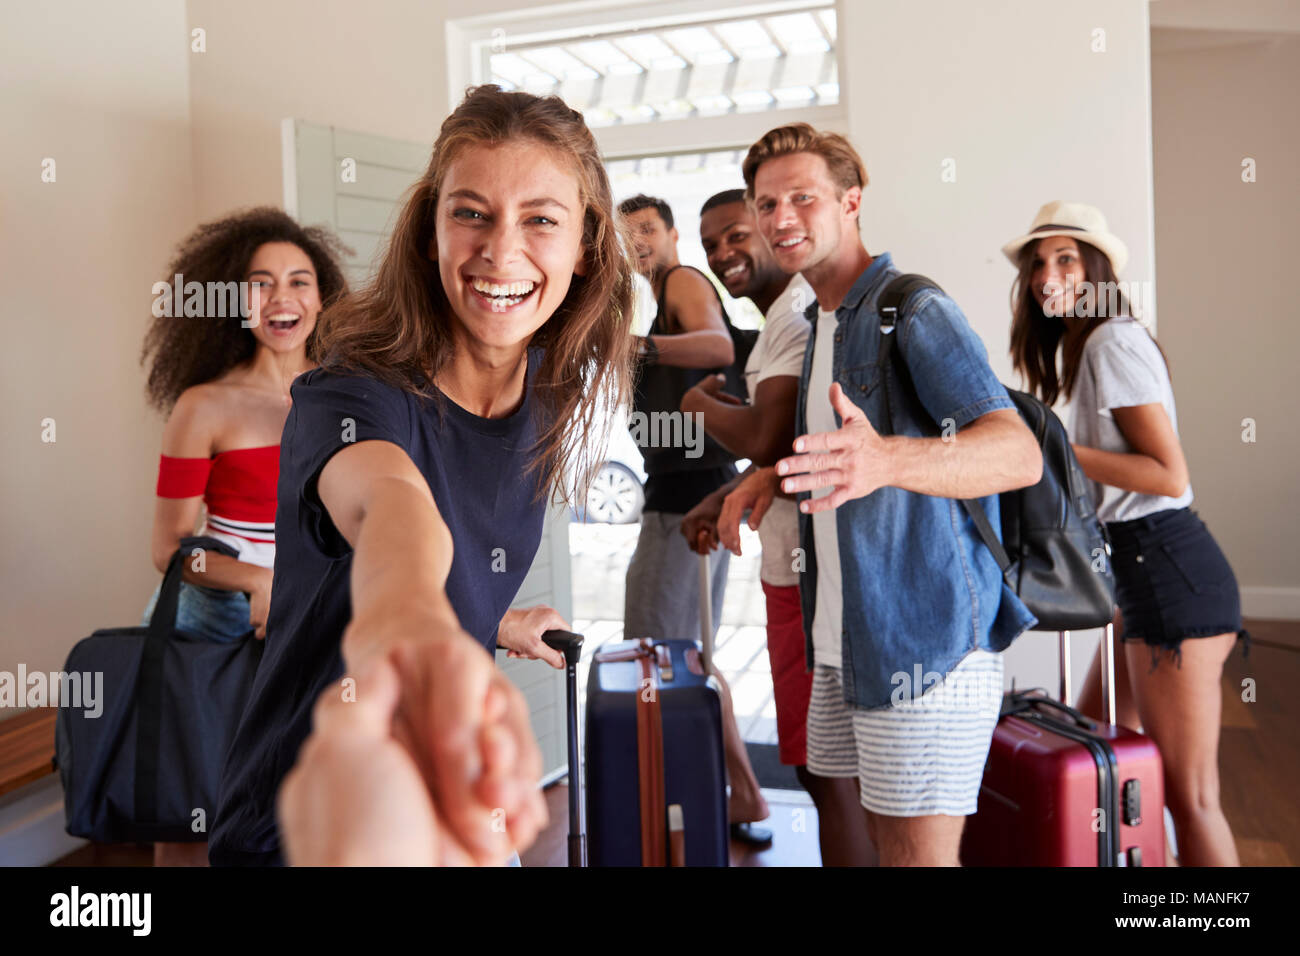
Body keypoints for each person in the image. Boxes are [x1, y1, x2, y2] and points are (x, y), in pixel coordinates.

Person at [209, 85, 637, 866]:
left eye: (540, 219)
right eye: (470, 212)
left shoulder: (544, 383)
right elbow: (391, 512)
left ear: (585, 248)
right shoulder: (352, 392)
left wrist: (484, 618)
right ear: (429, 232)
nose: (500, 252)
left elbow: (452, 545)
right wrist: (413, 629)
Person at [717, 123, 1043, 867]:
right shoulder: (821, 321)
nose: (781, 219)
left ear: (852, 201)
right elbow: (843, 453)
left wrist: (887, 459)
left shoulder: (912, 309)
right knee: (868, 843)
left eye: (802, 197)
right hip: (848, 639)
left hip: (924, 642)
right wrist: (769, 476)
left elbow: (1016, 452)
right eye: (766, 205)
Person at [1004, 200, 1245, 866]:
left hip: (1171, 574)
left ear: (1098, 268)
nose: (1046, 276)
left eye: (1066, 259)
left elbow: (1167, 474)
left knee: (1190, 797)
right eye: (1038, 264)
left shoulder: (1111, 339)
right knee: (1106, 749)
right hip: (1139, 578)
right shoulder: (1091, 347)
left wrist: (1048, 446)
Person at [139, 207, 349, 865]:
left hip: (307, 629)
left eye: (299, 280)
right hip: (211, 630)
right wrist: (257, 579)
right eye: (260, 282)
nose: (281, 298)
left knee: (302, 815)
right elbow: (170, 548)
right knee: (192, 810)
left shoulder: (352, 398)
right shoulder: (204, 406)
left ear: (323, 296)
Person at [680, 189, 872, 865]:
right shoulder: (784, 322)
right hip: (793, 570)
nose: (723, 253)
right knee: (825, 767)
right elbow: (794, 447)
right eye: (711, 245)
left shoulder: (794, 313)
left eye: (735, 234)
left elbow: (766, 437)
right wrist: (736, 488)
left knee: (826, 769)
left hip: (810, 580)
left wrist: (696, 404)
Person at [619, 194, 771, 844]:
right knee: (690, 658)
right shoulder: (659, 297)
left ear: (673, 234)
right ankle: (741, 792)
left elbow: (713, 346)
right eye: (629, 235)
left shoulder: (682, 282)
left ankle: (672, 807)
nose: (640, 242)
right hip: (693, 489)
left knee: (651, 657)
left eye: (649, 228)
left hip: (684, 500)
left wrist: (635, 346)